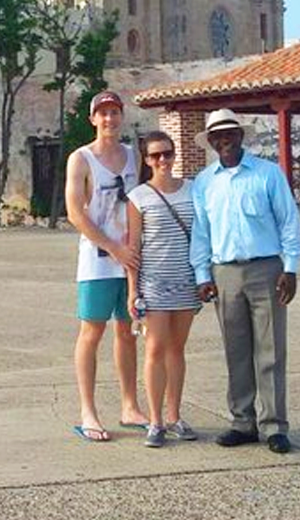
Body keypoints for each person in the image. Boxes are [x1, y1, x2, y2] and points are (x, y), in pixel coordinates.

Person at [190, 108, 300, 454]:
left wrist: (291, 267)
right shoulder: (205, 182)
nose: (224, 141)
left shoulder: (268, 174)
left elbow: (289, 221)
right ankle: (242, 421)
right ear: (210, 142)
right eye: (218, 136)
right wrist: (201, 275)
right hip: (225, 272)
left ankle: (274, 426)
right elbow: (201, 232)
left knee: (270, 350)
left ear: (241, 136)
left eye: (230, 134)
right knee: (235, 351)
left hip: (266, 268)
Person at [65, 90, 147, 442]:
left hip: (129, 257)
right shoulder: (81, 159)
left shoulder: (133, 155)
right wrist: (112, 246)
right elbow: (75, 213)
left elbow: (141, 201)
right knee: (91, 332)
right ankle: (89, 411)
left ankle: (130, 404)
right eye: (103, 114)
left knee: (127, 331)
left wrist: (133, 248)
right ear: (93, 119)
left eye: (115, 112)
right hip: (98, 258)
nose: (110, 119)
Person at [127, 131, 200, 448]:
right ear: (146, 160)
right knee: (155, 348)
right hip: (154, 283)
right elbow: (133, 247)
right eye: (155, 156)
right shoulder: (138, 197)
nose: (163, 161)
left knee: (177, 349)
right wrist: (133, 290)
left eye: (167, 154)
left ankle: (175, 415)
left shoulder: (193, 190)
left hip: (186, 280)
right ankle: (155, 420)